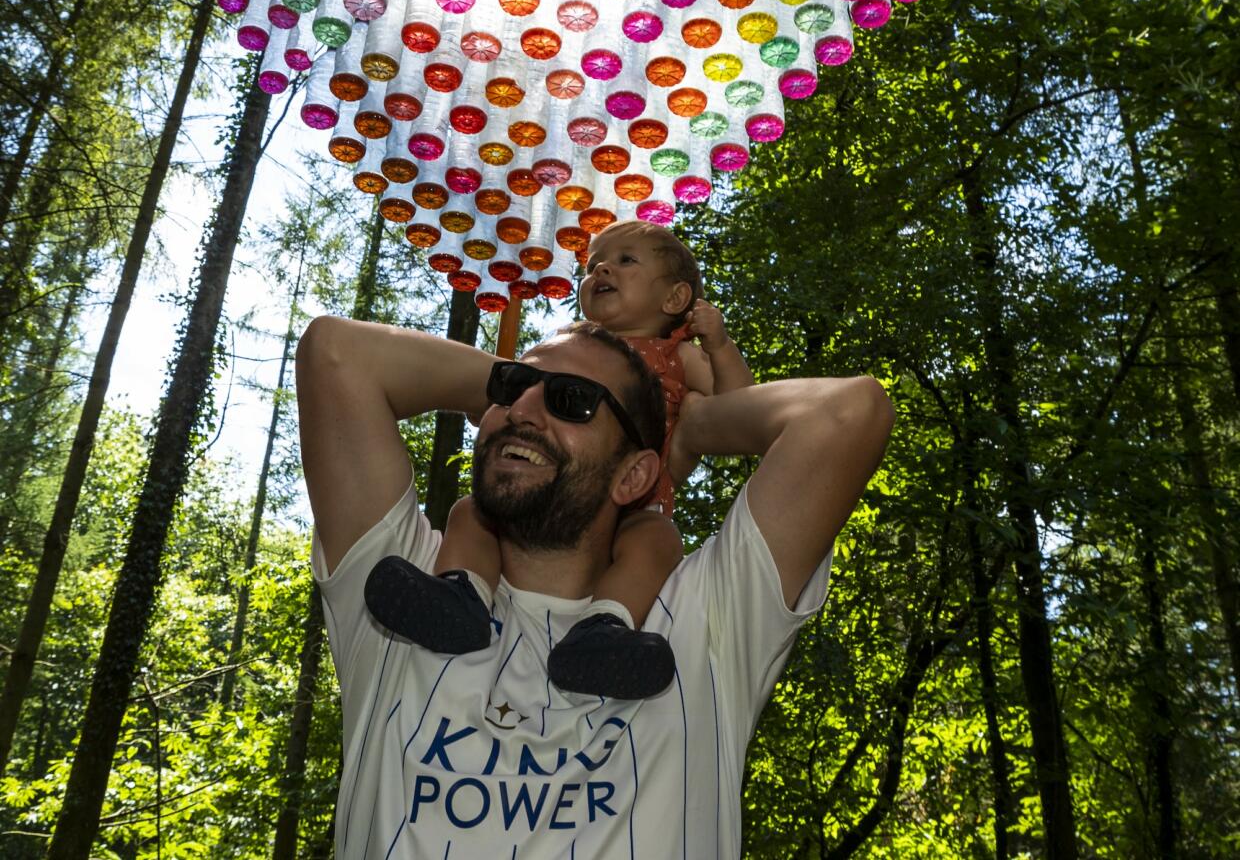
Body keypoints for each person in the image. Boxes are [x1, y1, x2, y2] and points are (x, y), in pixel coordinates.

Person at [297, 309, 892, 858]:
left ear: (635, 475)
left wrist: (690, 421)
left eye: (573, 400)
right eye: (511, 391)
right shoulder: (405, 594)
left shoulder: (705, 619)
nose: (523, 410)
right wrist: (518, 382)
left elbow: (846, 412)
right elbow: (336, 352)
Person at [364, 220, 755, 700]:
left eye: (625, 260)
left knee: (656, 540)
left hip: (637, 502)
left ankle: (607, 626)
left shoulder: (681, 356)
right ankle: (460, 593)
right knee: (473, 513)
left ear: (674, 300)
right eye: (593, 266)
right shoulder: (564, 347)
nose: (602, 269)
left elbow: (741, 410)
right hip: (558, 491)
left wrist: (719, 345)